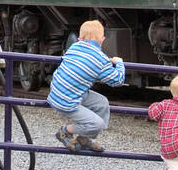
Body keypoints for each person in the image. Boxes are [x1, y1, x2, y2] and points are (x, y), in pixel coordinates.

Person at [48, 19, 125, 152]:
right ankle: (64, 131)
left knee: (102, 103)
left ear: (79, 38)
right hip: (67, 101)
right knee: (97, 124)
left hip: (59, 93)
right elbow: (117, 80)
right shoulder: (100, 59)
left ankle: (84, 138)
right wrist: (119, 63)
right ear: (102, 40)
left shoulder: (74, 48)